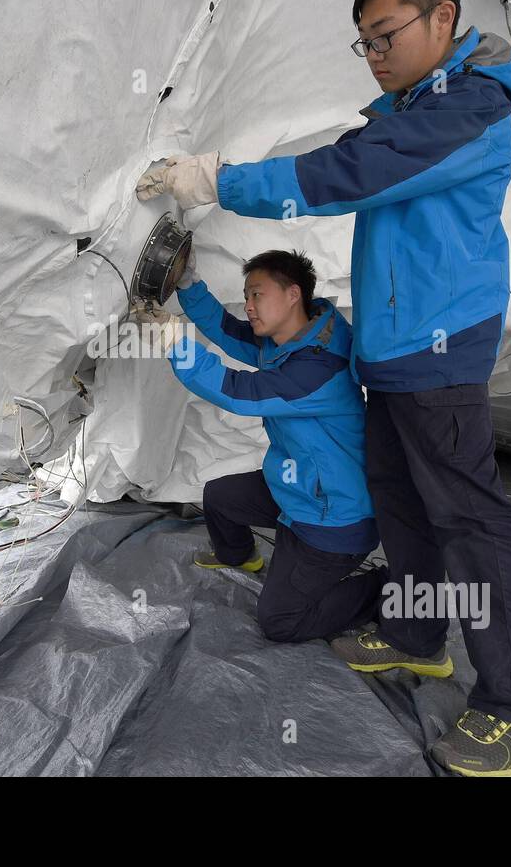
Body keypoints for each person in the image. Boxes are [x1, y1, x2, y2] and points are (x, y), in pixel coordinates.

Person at [134, 0, 511, 776]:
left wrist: (218, 179)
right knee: (403, 506)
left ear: (443, 17)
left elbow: (345, 175)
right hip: (393, 351)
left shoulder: (466, 110)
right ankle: (415, 633)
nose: (371, 55)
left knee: (472, 521)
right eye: (361, 41)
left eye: (385, 34)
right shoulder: (412, 106)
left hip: (440, 357)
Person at [131, 248, 386, 644]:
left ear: (293, 294)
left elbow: (238, 391)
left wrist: (173, 343)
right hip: (299, 488)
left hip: (332, 517)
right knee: (220, 495)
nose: (248, 306)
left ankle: (385, 589)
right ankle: (239, 555)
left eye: (256, 295)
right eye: (247, 295)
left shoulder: (318, 367)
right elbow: (230, 333)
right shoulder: (293, 335)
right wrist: (188, 284)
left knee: (281, 621)